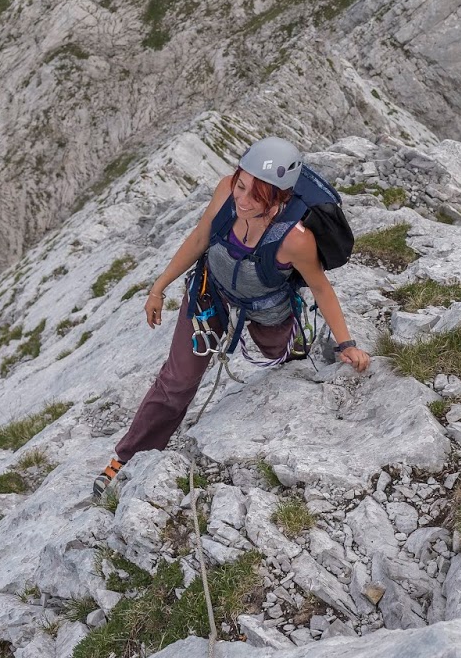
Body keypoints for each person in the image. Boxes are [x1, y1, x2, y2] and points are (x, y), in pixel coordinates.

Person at [93, 137, 369, 497]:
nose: (243, 200)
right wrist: (158, 288)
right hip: (211, 292)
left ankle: (295, 339)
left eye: (257, 195)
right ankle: (127, 459)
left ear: (280, 198)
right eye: (241, 185)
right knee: (177, 381)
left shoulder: (295, 239)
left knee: (278, 353)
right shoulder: (226, 192)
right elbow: (199, 239)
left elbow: (320, 287)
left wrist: (346, 343)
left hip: (267, 304)